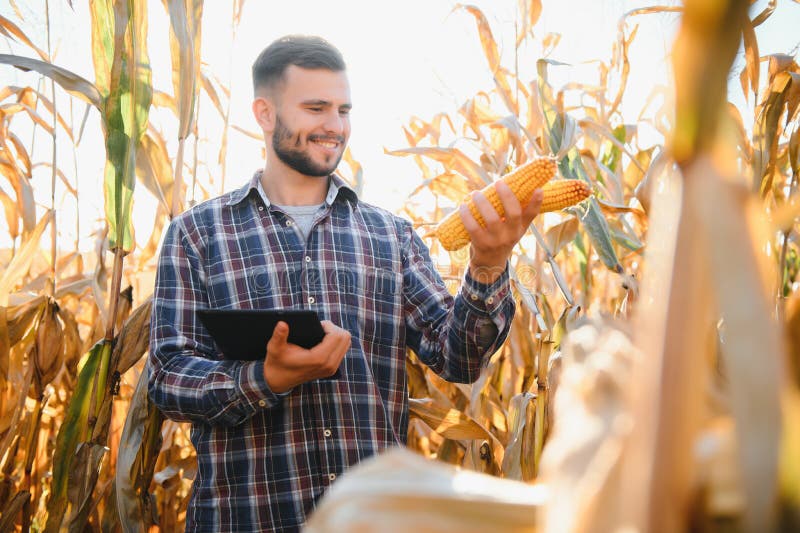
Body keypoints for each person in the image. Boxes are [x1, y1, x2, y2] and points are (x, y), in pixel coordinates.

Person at [148, 34, 544, 532]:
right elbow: (167, 379)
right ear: (265, 114)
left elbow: (459, 358)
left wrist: (488, 263)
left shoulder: (389, 234)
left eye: (343, 110)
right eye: (316, 108)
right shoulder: (198, 235)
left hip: (370, 522)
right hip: (248, 519)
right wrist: (265, 381)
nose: (334, 127)